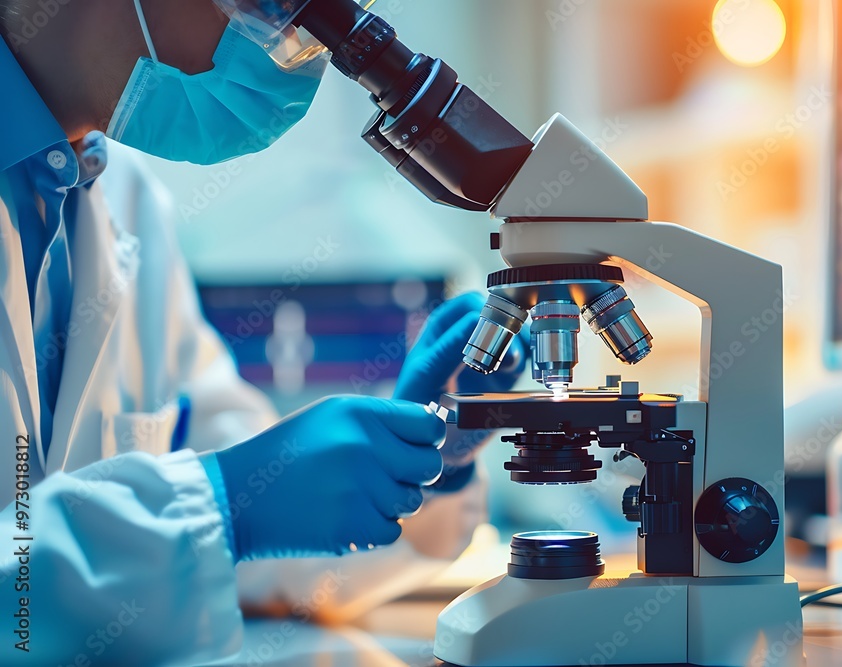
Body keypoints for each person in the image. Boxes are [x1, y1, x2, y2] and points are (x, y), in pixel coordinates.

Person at [0, 0, 525, 663]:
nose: (302, 47)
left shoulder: (122, 204)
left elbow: (252, 540)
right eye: (280, 6)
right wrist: (220, 505)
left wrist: (421, 461)